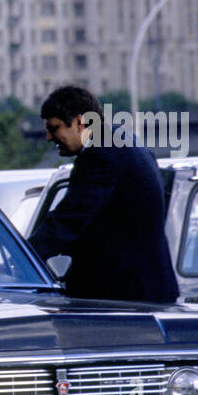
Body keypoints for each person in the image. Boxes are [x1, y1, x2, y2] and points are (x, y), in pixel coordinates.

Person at [28, 85, 179, 303]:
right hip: (146, 290)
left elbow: (68, 221)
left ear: (80, 122)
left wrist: (23, 258)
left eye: (55, 128)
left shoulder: (100, 156)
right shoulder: (124, 140)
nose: (49, 138)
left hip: (122, 299)